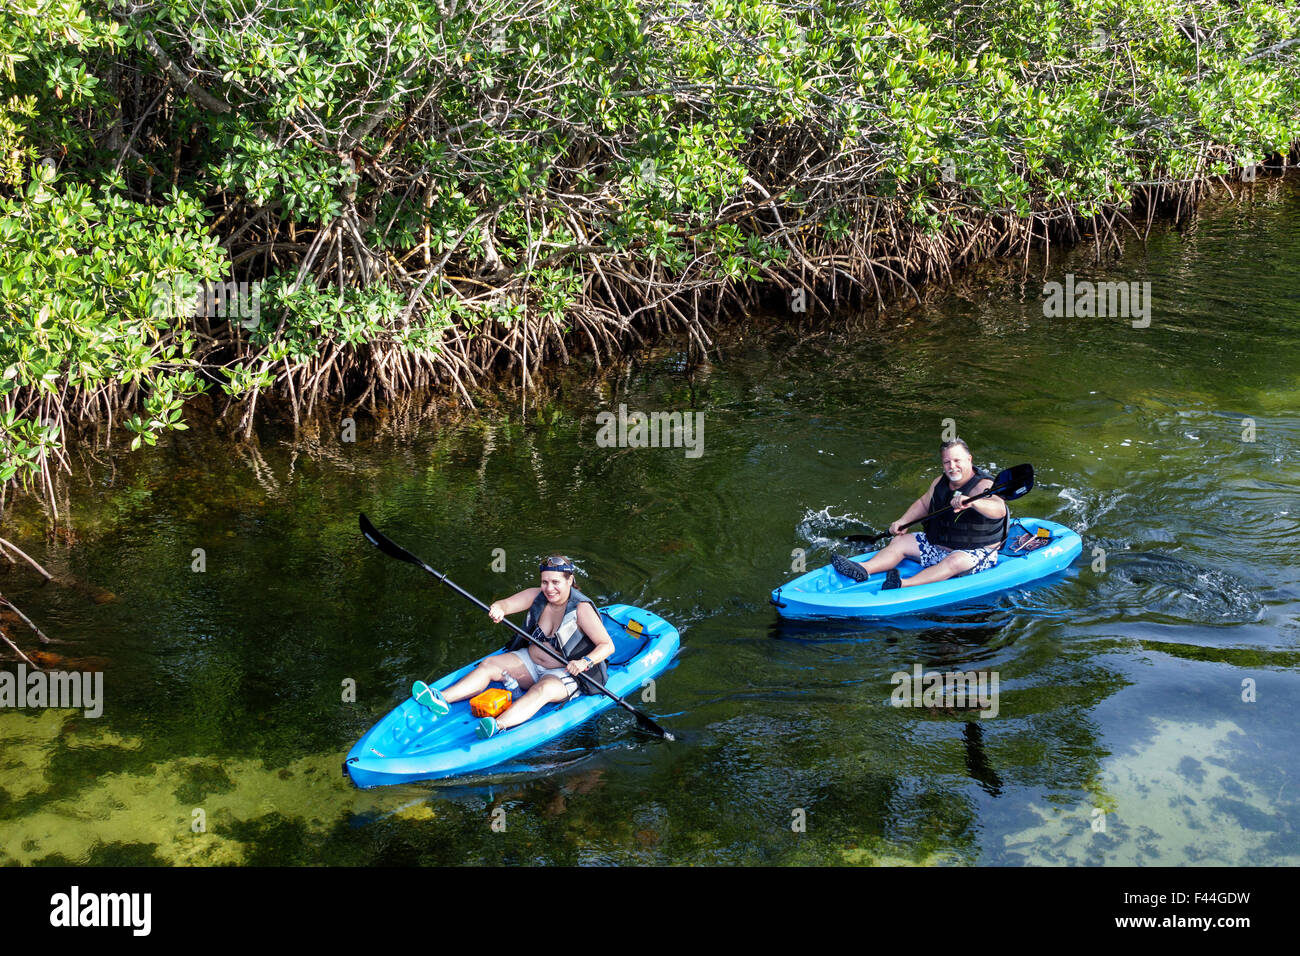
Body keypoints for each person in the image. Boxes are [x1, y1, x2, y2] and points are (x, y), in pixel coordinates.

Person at [412, 554, 615, 739]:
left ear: (569, 581)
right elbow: (505, 604)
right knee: (490, 664)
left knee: (541, 690)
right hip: (530, 663)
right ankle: (441, 699)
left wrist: (585, 661)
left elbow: (607, 646)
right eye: (545, 582)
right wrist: (498, 609)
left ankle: (498, 725)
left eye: (555, 582)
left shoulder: (582, 608)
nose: (549, 588)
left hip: (564, 673)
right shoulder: (537, 595)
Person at [833, 438, 1007, 589]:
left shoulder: (983, 486)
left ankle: (903, 584)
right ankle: (863, 569)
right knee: (900, 541)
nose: (952, 467)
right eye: (947, 462)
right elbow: (924, 503)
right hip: (938, 546)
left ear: (969, 459)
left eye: (957, 460)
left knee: (955, 562)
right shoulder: (940, 482)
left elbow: (999, 510)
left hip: (975, 553)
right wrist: (903, 520)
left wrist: (973, 501)